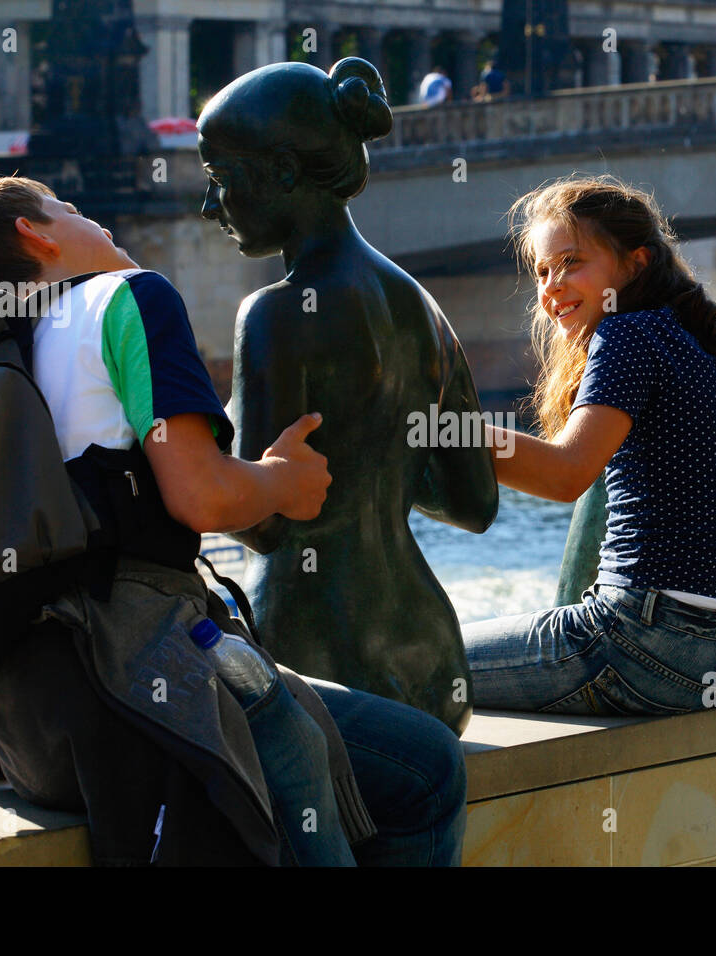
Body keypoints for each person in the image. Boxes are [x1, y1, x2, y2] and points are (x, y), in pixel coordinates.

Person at [0, 174, 468, 866]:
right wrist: (283, 483)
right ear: (34, 234)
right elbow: (202, 496)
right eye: (71, 211)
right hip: (157, 698)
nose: (99, 224)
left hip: (35, 738)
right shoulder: (127, 300)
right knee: (426, 768)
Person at [197, 58, 497, 735]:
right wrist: (376, 457)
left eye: (220, 179)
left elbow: (261, 523)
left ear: (281, 170)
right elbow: (474, 503)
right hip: (429, 655)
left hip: (316, 656)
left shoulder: (274, 316)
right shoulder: (422, 307)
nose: (209, 205)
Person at [461, 175, 716, 715]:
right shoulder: (686, 339)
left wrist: (441, 431)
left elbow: (568, 473)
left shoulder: (626, 336)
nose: (550, 286)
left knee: (421, 670)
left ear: (635, 263)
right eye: (542, 272)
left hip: (641, 641)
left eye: (571, 263)